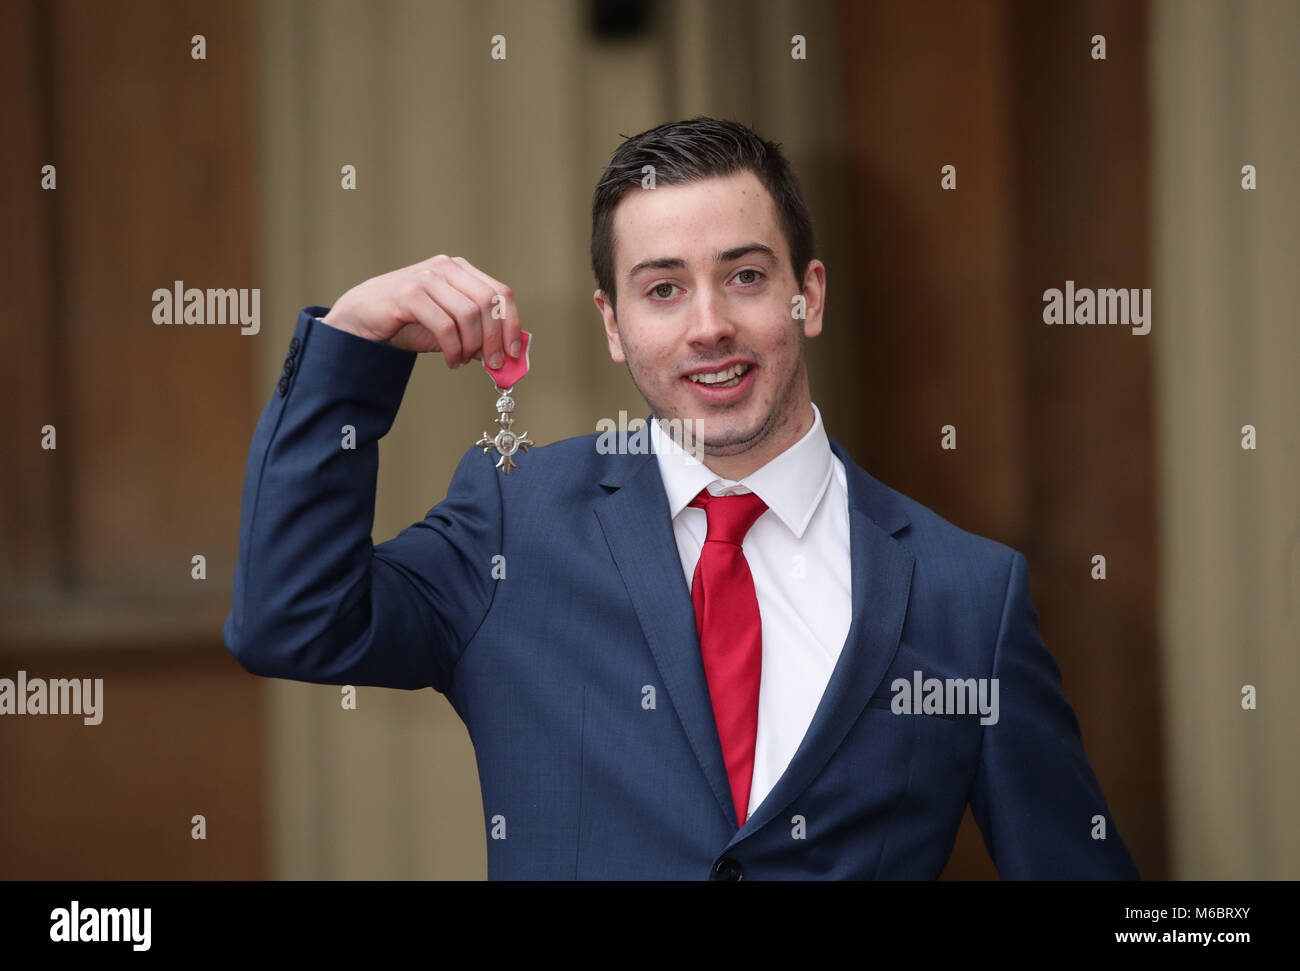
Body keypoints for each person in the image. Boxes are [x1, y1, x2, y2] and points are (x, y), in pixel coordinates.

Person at [224, 117, 1139, 880]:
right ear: (614, 327)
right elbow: (291, 619)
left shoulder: (969, 595)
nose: (709, 326)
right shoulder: (516, 521)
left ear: (806, 296)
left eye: (745, 276)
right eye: (663, 289)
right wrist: (353, 346)